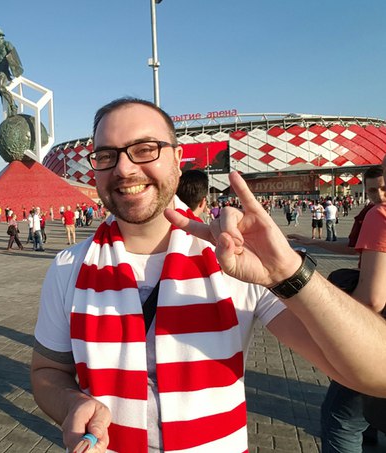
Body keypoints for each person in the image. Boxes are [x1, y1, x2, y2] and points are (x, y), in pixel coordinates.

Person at [30, 98, 386, 453]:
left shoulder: (234, 256)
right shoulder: (68, 267)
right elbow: (47, 372)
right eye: (107, 155)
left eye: (144, 149)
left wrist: (287, 273)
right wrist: (71, 404)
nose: (124, 168)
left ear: (177, 158)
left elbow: (376, 373)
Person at [320, 164, 386, 453]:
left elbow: (373, 299)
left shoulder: (378, 215)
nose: (378, 196)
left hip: (377, 332)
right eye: (372, 190)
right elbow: (352, 247)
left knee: (340, 419)